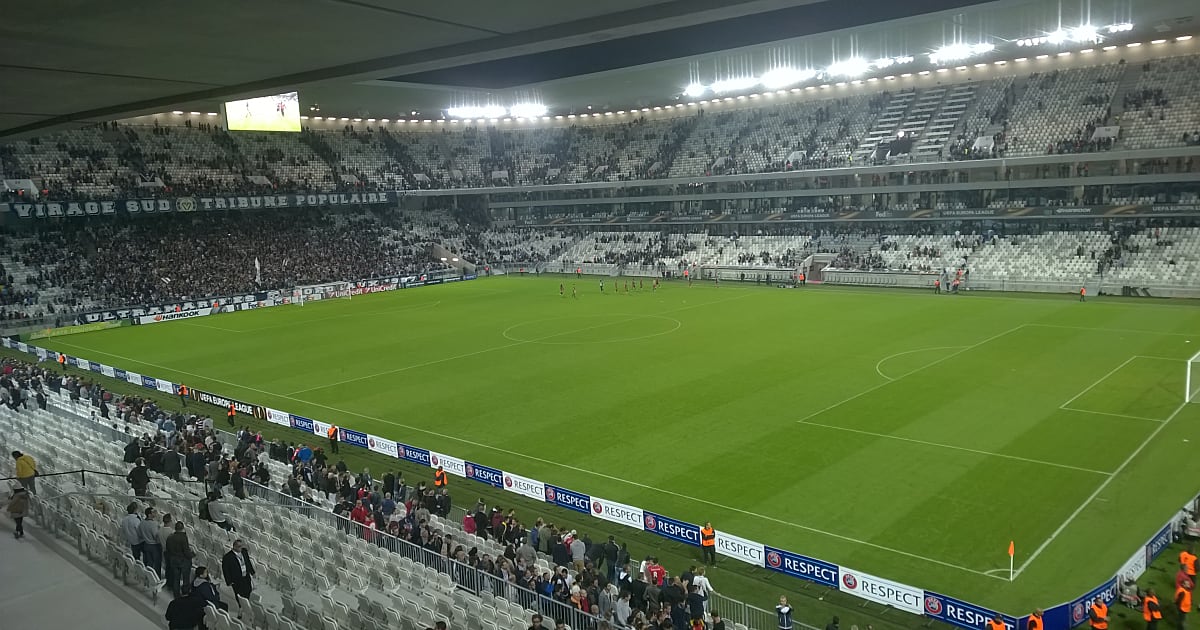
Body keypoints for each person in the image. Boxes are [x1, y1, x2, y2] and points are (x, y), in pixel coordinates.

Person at [222, 539, 256, 617]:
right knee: (239, 594)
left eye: (242, 546)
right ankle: (241, 607)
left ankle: (245, 605)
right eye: (239, 546)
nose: (241, 548)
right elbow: (226, 570)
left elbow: (248, 562)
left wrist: (252, 572)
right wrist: (229, 581)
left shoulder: (244, 552)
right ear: (234, 547)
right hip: (236, 579)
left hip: (246, 577)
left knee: (248, 590)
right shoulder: (228, 557)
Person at [165, 521, 195, 598]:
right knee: (185, 578)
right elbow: (186, 551)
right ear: (182, 528)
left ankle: (176, 594)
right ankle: (185, 593)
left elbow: (168, 549)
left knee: (176, 578)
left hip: (173, 560)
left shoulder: (170, 537)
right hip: (183, 561)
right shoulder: (183, 537)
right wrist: (192, 555)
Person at [140, 506, 163, 577]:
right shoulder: (153, 524)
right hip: (154, 546)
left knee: (149, 563)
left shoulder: (142, 522)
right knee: (157, 564)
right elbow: (156, 536)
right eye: (153, 512)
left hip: (146, 544)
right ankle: (157, 578)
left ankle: (149, 577)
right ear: (149, 514)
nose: (155, 513)